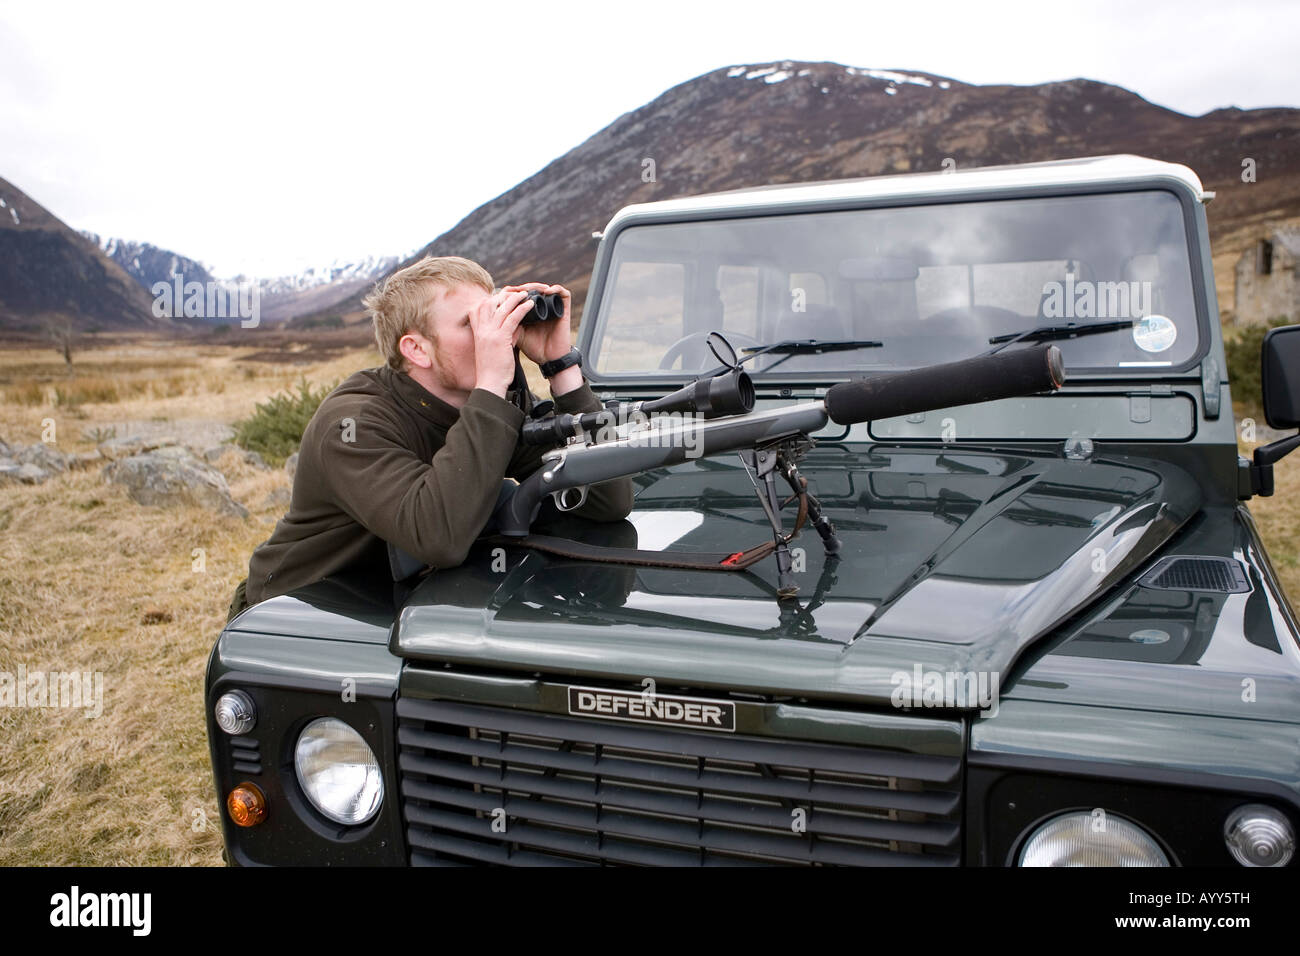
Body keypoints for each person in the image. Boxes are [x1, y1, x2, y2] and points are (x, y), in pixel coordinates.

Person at [226, 255, 634, 622]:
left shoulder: (494, 401)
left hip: (403, 601)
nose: (497, 334)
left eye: (493, 316)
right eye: (471, 324)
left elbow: (607, 501)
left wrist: (560, 366)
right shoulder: (353, 423)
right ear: (417, 350)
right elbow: (438, 537)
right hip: (296, 615)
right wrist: (491, 384)